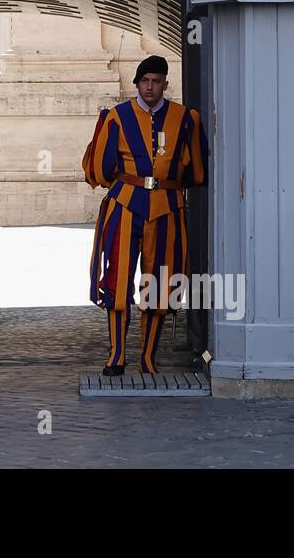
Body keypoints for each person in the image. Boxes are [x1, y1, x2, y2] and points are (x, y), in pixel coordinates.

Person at [82, 55, 207, 377]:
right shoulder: (117, 117)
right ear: (137, 83)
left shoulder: (185, 117)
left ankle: (148, 357)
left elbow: (196, 170)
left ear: (165, 84)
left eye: (156, 81)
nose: (150, 87)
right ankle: (118, 355)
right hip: (125, 206)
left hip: (167, 206)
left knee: (160, 283)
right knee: (118, 279)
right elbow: (100, 168)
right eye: (145, 81)